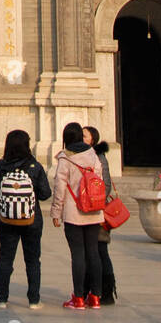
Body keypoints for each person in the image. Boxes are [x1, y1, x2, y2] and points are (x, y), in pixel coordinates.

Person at [0, 129, 51, 310]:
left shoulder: (2, 167)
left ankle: (2, 298)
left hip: (8, 220)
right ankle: (34, 299)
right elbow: (46, 193)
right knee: (32, 260)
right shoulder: (35, 166)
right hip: (31, 219)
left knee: (5, 259)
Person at [50, 120, 104, 309]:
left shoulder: (65, 158)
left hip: (74, 212)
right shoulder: (93, 155)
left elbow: (59, 187)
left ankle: (79, 297)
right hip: (94, 210)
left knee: (78, 255)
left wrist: (56, 212)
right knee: (93, 253)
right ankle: (96, 296)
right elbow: (100, 180)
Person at [84, 124, 118, 305]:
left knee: (101, 250)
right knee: (91, 251)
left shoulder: (99, 158)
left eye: (85, 136)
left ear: (93, 139)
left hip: (99, 212)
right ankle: (91, 289)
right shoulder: (83, 157)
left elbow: (105, 186)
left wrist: (93, 203)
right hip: (88, 211)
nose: (82, 139)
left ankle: (107, 291)